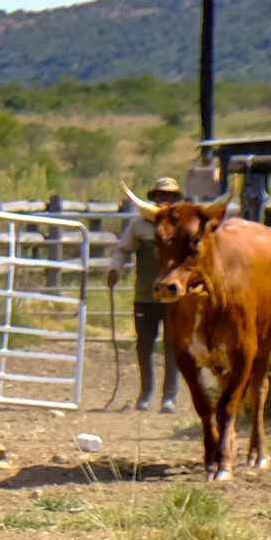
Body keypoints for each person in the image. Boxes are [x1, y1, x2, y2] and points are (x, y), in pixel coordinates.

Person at [104, 175, 183, 411]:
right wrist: (114, 269)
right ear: (154, 198)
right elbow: (123, 248)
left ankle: (169, 396)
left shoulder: (182, 225)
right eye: (160, 195)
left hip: (174, 297)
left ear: (175, 199)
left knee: (173, 347)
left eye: (170, 196)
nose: (164, 200)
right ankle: (146, 393)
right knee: (144, 346)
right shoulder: (140, 224)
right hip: (145, 296)